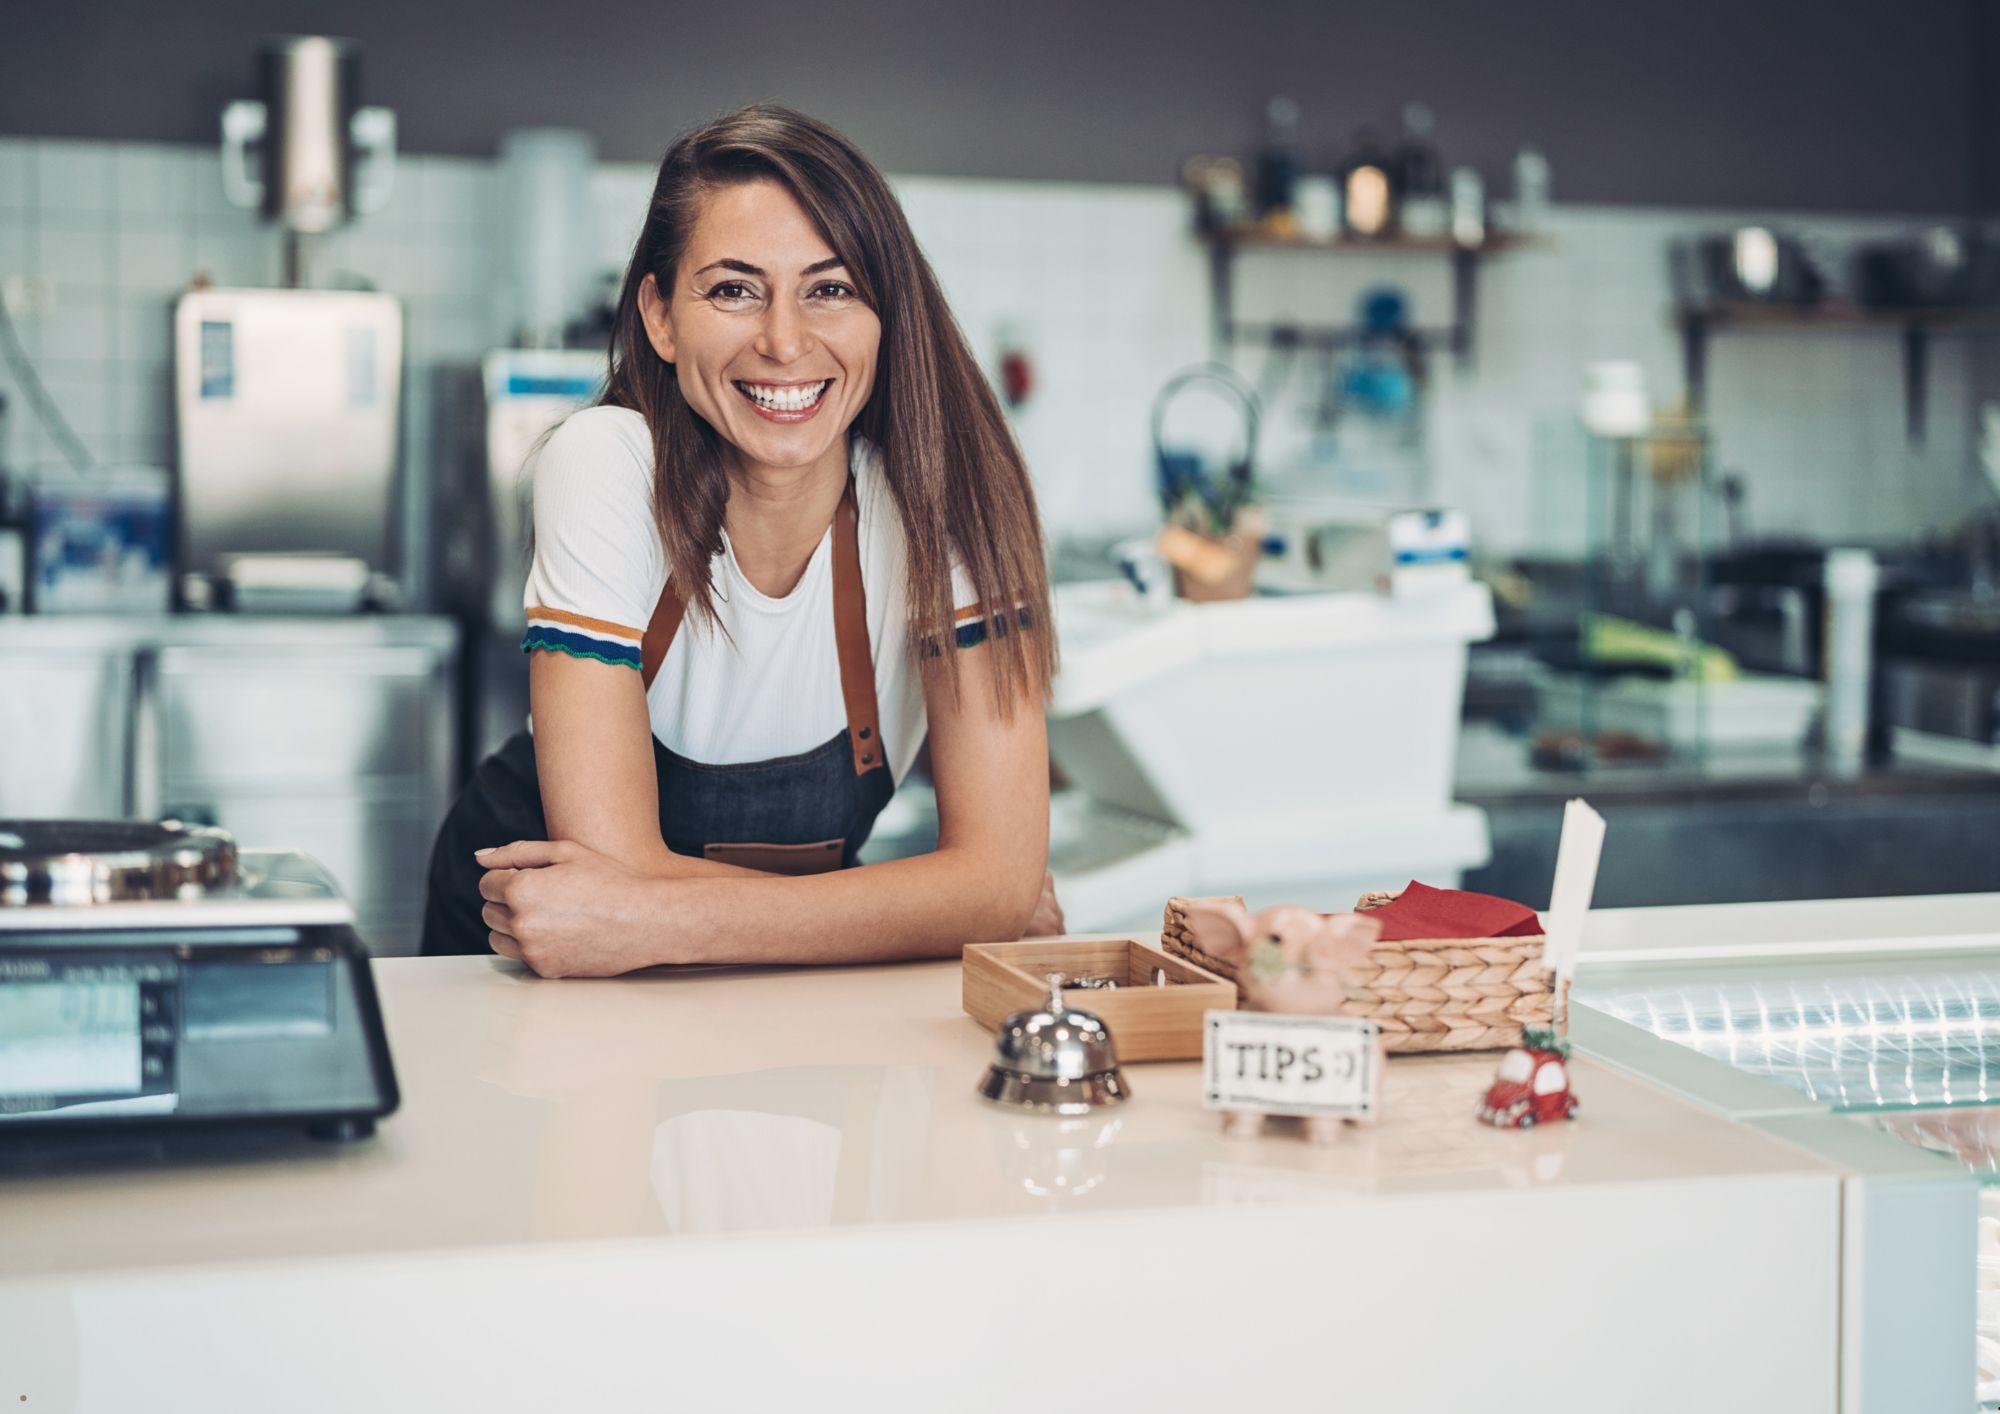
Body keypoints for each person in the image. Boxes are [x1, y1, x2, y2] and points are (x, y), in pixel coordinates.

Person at [420, 105, 1061, 975]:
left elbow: (999, 886)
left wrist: (644, 918)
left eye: (830, 288)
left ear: (886, 315)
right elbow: (610, 870)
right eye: (733, 289)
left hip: (755, 975)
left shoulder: (950, 495)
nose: (784, 342)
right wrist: (929, 907)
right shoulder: (605, 461)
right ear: (660, 317)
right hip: (520, 957)